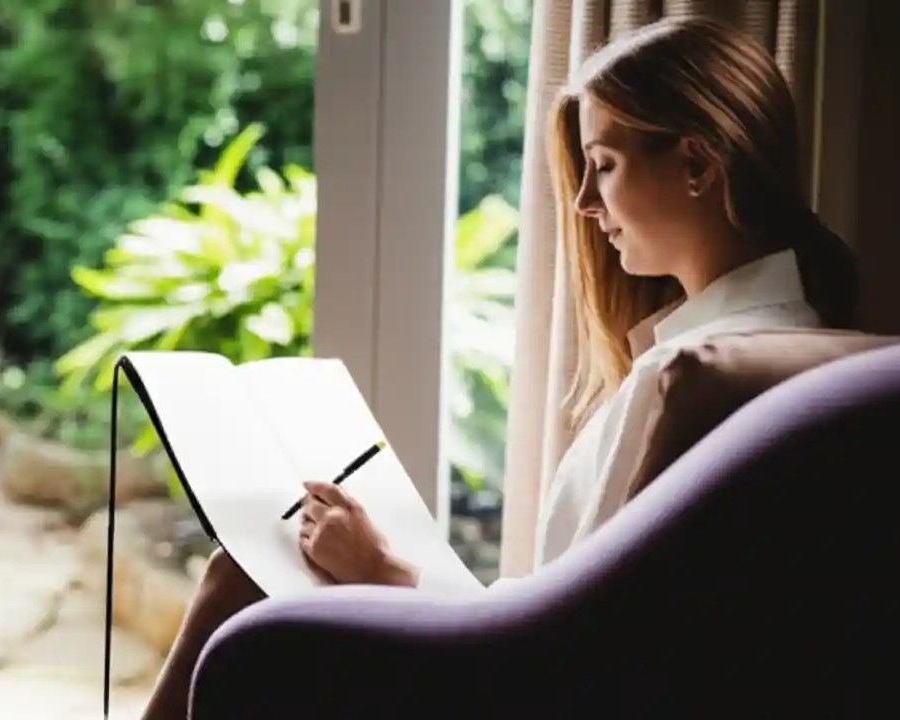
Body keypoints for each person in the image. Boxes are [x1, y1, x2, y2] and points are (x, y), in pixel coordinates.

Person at [138, 16, 857, 719]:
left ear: (697, 165)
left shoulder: (690, 376)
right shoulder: (808, 347)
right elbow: (596, 631)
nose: (584, 202)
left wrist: (380, 571)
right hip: (552, 675)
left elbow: (562, 655)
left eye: (604, 165)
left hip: (524, 689)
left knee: (246, 574)